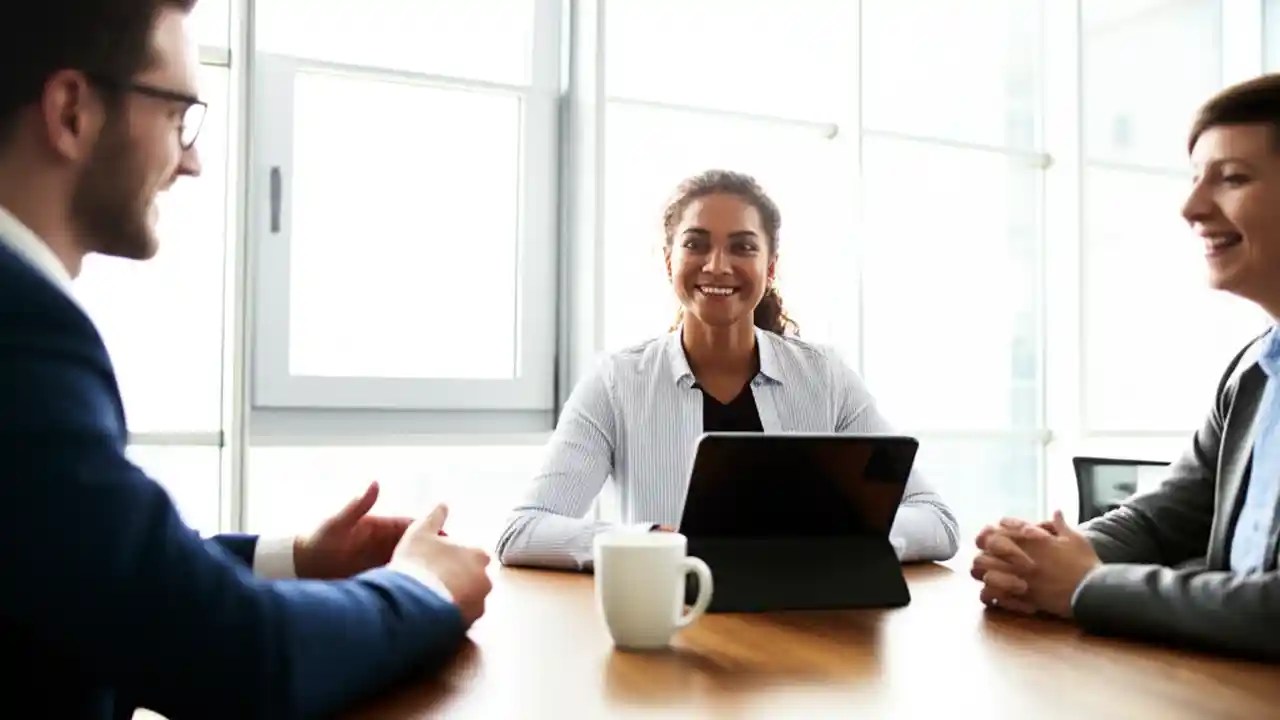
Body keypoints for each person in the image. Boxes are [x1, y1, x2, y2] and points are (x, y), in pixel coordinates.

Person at [0, 2, 492, 718]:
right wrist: (425, 586)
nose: (193, 161)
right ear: (72, 111)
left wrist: (297, 559)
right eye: (177, 115)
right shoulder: (23, 331)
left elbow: (99, 568)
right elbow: (234, 655)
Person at [496, 169, 959, 569]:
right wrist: (652, 541)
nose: (717, 266)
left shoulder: (826, 379)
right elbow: (523, 531)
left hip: (807, 624)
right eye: (696, 244)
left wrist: (832, 535)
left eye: (742, 247)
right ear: (669, 261)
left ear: (770, 268)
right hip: (673, 623)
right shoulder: (617, 383)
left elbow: (935, 521)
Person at [971, 73, 1280, 660]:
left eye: (1232, 178)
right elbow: (1162, 521)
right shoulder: (1255, 371)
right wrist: (1040, 557)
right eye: (1195, 179)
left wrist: (1086, 586)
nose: (1191, 207)